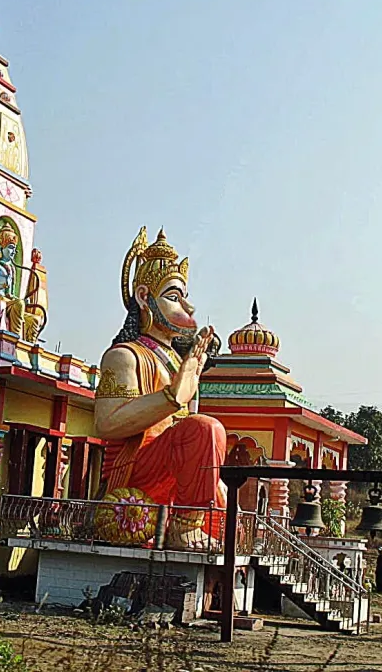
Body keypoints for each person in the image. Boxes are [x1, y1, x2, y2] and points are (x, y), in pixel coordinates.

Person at [94, 227, 226, 550]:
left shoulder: (178, 363)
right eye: (174, 297)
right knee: (206, 428)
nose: (189, 308)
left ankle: (194, 522)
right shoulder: (124, 356)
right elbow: (106, 423)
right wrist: (170, 398)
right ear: (144, 296)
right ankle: (183, 529)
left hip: (175, 468)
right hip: (136, 468)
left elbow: (189, 437)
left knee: (223, 498)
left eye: (185, 297)